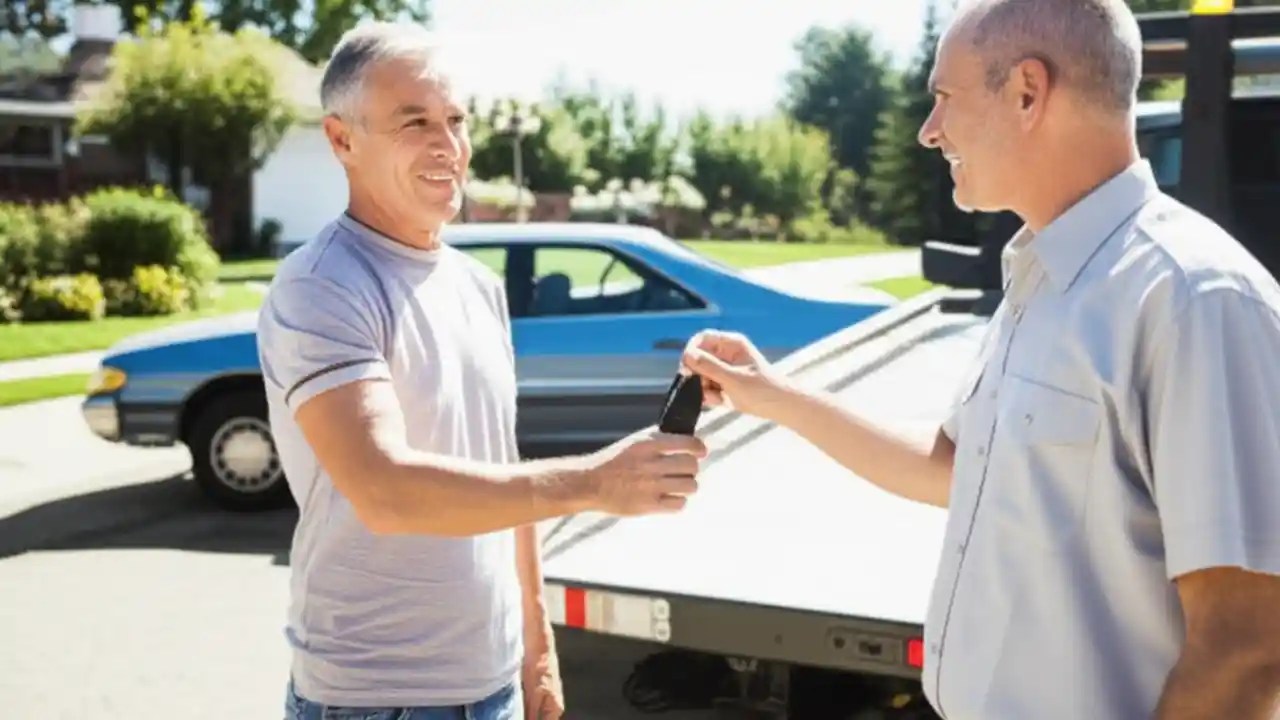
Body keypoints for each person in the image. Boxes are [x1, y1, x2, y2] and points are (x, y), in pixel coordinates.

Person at [681, 1, 1280, 718]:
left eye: (943, 98)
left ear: (1028, 91)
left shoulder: (1193, 297)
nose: (929, 131)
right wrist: (772, 394)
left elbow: (1246, 647)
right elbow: (956, 468)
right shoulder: (1046, 275)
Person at [257, 22, 706, 720]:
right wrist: (596, 481)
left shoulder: (476, 284)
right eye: (415, 122)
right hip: (376, 702)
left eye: (455, 120)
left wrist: (539, 649)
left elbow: (502, 464)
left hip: (492, 686)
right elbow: (387, 492)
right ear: (342, 140)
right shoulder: (322, 285)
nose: (448, 146)